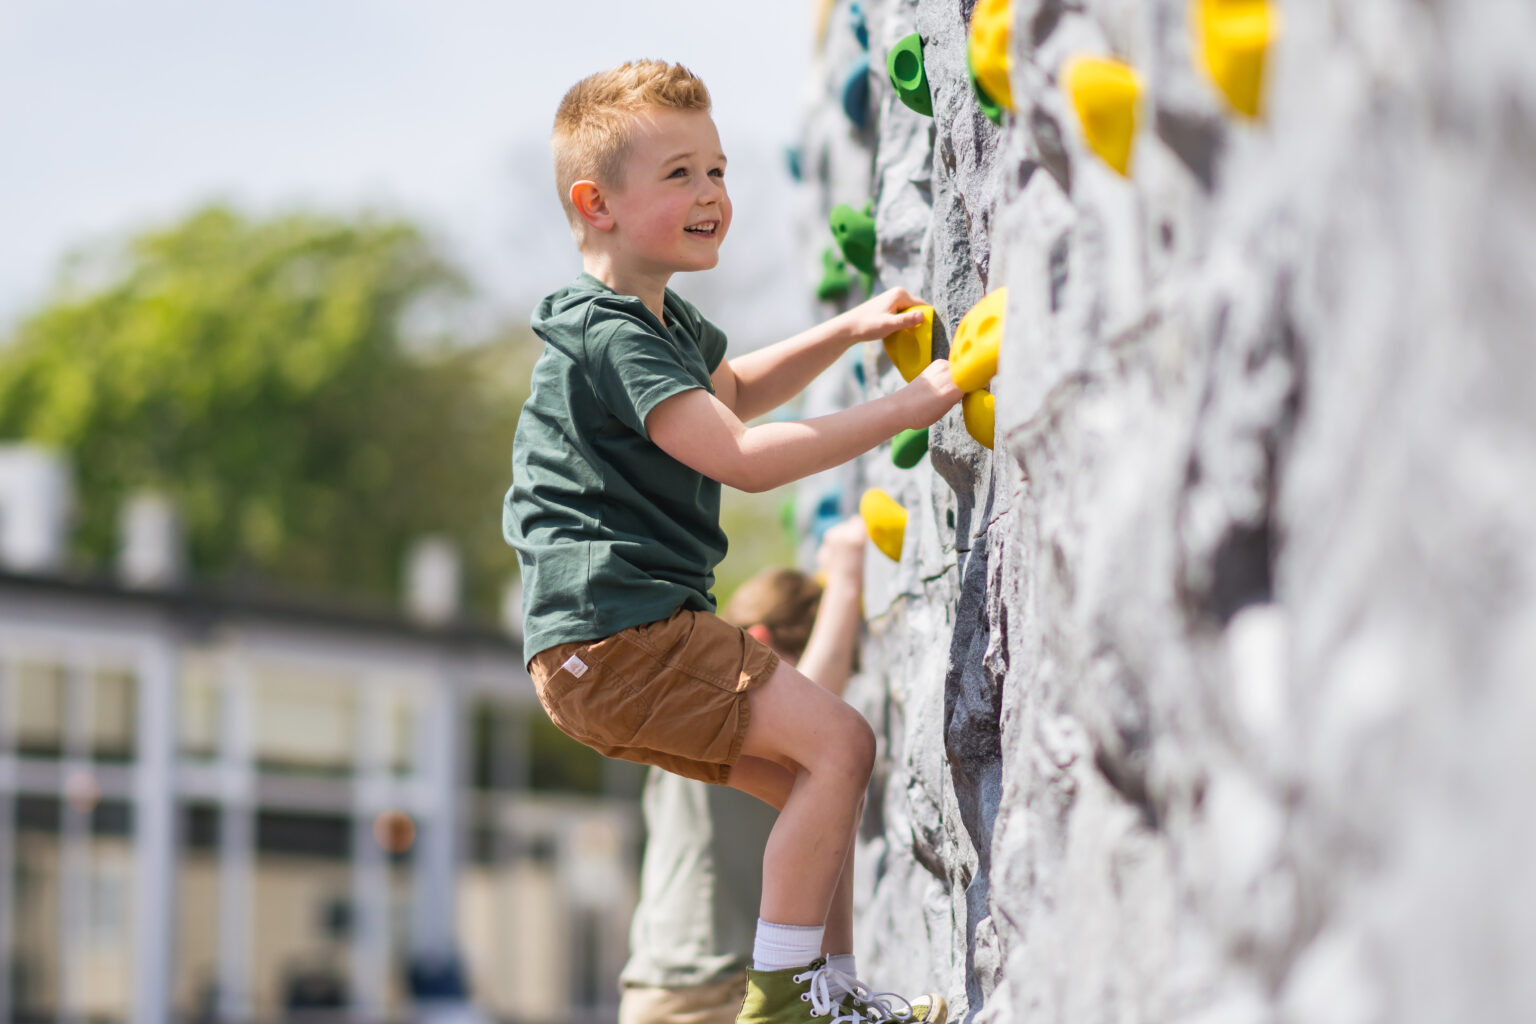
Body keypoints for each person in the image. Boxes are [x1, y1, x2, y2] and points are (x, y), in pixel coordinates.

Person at [503, 60, 961, 1024]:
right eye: (679, 175)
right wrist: (909, 406)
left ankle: (827, 994)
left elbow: (737, 392)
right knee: (841, 741)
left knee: (813, 774)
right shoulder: (614, 334)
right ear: (598, 203)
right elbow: (744, 455)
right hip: (622, 639)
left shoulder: (656, 322)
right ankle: (794, 1001)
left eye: (717, 171)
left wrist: (845, 330)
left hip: (600, 654)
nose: (712, 194)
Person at [622, 519, 910, 1024]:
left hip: (683, 989)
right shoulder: (709, 712)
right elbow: (819, 728)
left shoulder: (688, 717)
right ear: (760, 641)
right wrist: (843, 581)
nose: (809, 705)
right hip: (701, 994)